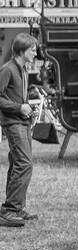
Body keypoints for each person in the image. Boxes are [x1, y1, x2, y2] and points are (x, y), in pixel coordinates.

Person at [0, 33, 39, 227]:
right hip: (12, 123)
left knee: (17, 163)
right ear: (22, 50)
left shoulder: (22, 69)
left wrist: (27, 108)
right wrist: (19, 108)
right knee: (25, 164)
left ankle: (16, 208)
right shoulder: (7, 70)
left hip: (21, 122)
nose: (36, 53)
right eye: (33, 49)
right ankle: (9, 210)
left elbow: (15, 98)